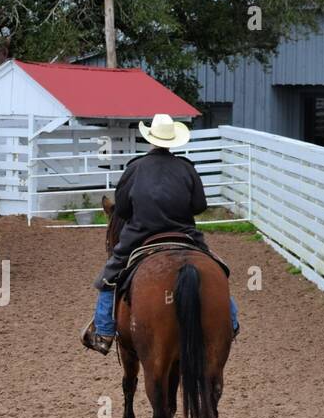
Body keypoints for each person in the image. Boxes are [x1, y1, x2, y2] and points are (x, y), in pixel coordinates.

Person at [82, 113, 239, 354]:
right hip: (184, 234)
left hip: (140, 235)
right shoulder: (187, 168)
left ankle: (103, 331)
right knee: (217, 270)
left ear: (151, 139)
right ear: (173, 140)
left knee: (109, 275)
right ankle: (231, 321)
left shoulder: (135, 168)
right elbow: (199, 206)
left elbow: (122, 209)